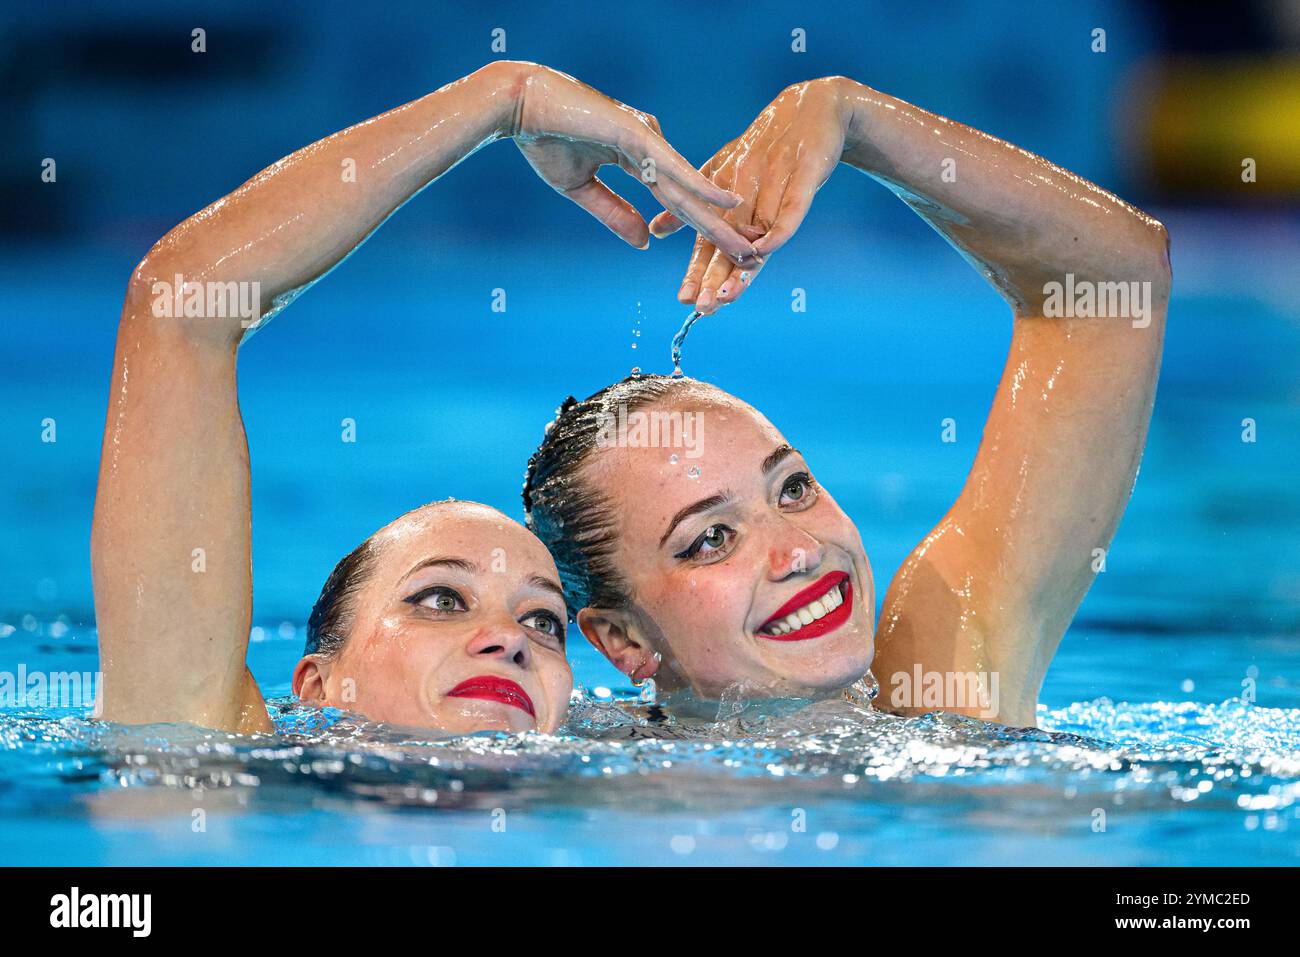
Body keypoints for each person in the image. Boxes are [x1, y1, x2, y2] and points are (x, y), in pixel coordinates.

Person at [91, 61, 756, 735]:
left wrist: (842, 114)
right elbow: (181, 302)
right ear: (319, 686)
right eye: (440, 598)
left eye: (544, 621)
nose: (510, 639)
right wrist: (505, 99)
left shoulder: (635, 792)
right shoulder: (207, 766)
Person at [524, 76, 1171, 727]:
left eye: (794, 488)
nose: (800, 550)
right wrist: (508, 102)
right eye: (712, 539)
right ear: (620, 640)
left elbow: (1112, 286)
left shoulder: (937, 679)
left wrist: (854, 119)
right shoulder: (561, 771)